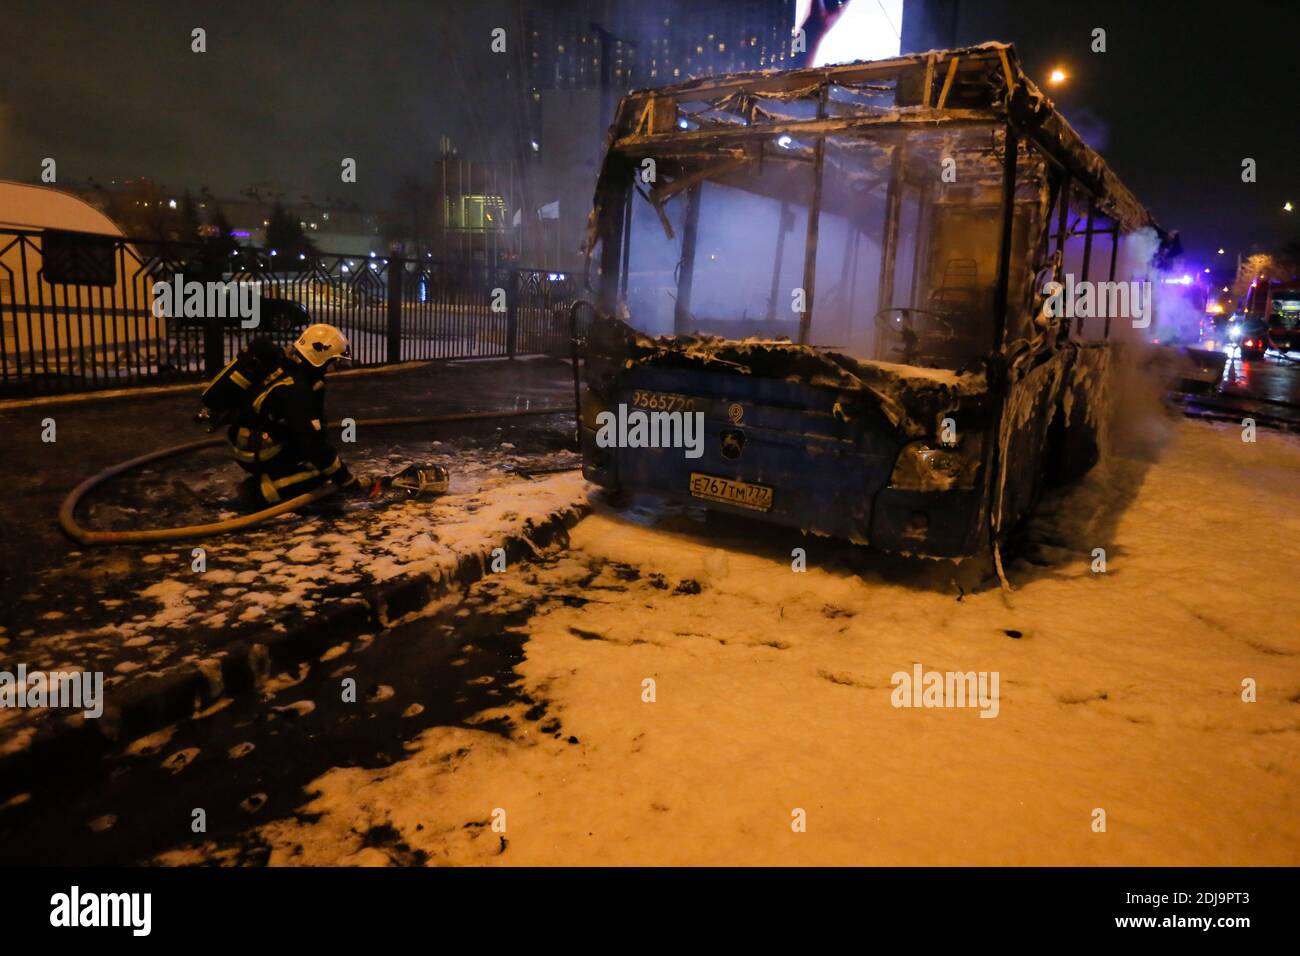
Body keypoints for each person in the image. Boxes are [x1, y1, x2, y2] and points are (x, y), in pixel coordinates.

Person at [227, 323, 364, 508]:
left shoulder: (290, 367)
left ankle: (279, 472)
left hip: (253, 434)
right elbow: (312, 443)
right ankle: (258, 492)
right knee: (321, 471)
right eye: (332, 362)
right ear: (319, 357)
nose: (333, 368)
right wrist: (344, 478)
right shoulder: (296, 390)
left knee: (319, 457)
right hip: (255, 449)